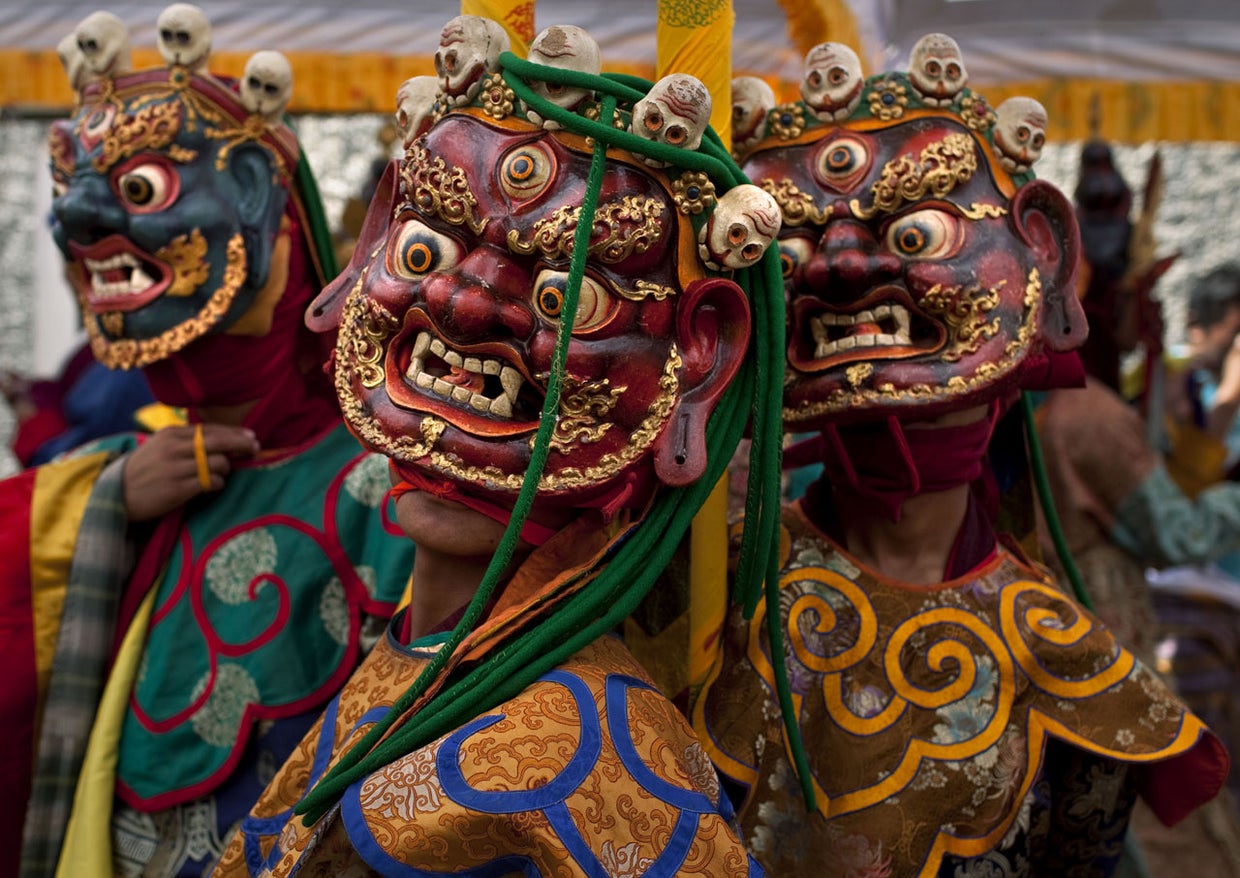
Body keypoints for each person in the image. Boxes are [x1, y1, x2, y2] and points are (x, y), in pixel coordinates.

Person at [212, 17, 785, 875]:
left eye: (570, 297)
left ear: (694, 363)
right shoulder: (417, 649)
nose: (461, 305)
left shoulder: (599, 780)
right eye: (422, 247)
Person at [693, 34, 1228, 876]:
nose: (841, 266)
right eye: (792, 251)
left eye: (914, 234)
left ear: (1041, 254)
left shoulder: (1071, 662)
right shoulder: (708, 587)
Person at [2, 8, 414, 877]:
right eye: (69, 182)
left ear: (273, 216)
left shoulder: (391, 480)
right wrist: (108, 497)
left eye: (142, 186)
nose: (78, 217)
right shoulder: (150, 462)